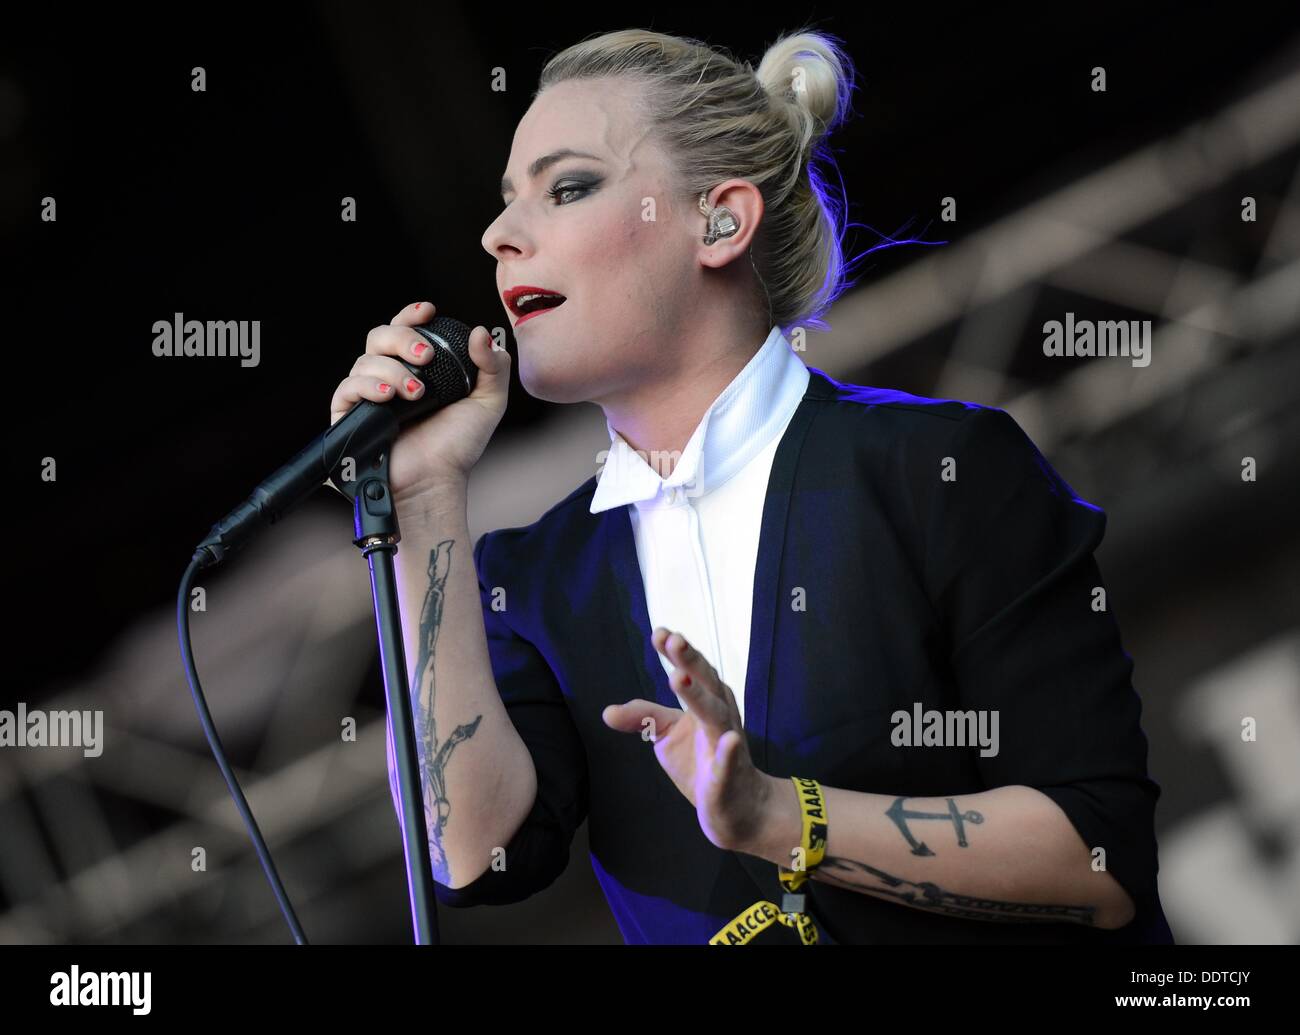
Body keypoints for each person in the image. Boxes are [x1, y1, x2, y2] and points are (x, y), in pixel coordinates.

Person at [329, 27, 1174, 945]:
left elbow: (1099, 858)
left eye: (567, 187)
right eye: (503, 204)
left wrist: (779, 816)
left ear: (721, 221)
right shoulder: (532, 580)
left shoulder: (935, 469)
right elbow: (470, 852)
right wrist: (418, 506)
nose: (498, 235)